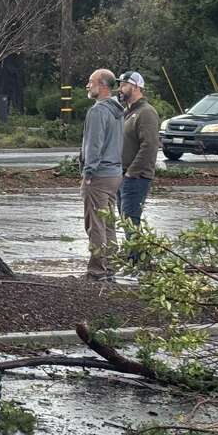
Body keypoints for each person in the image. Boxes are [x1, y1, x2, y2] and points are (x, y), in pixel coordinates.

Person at [80, 69, 123, 281]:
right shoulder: (118, 110)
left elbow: (93, 145)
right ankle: (111, 267)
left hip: (99, 174)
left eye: (91, 81)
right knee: (108, 222)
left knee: (95, 223)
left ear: (103, 85)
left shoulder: (98, 111)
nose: (87, 86)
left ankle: (97, 270)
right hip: (115, 173)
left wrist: (88, 172)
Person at [117, 71, 160, 241]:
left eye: (123, 85)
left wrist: (131, 172)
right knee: (125, 220)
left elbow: (149, 145)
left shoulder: (146, 112)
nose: (120, 89)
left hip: (136, 178)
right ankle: (134, 258)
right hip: (122, 175)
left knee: (131, 222)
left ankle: (137, 262)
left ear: (135, 87)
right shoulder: (127, 112)